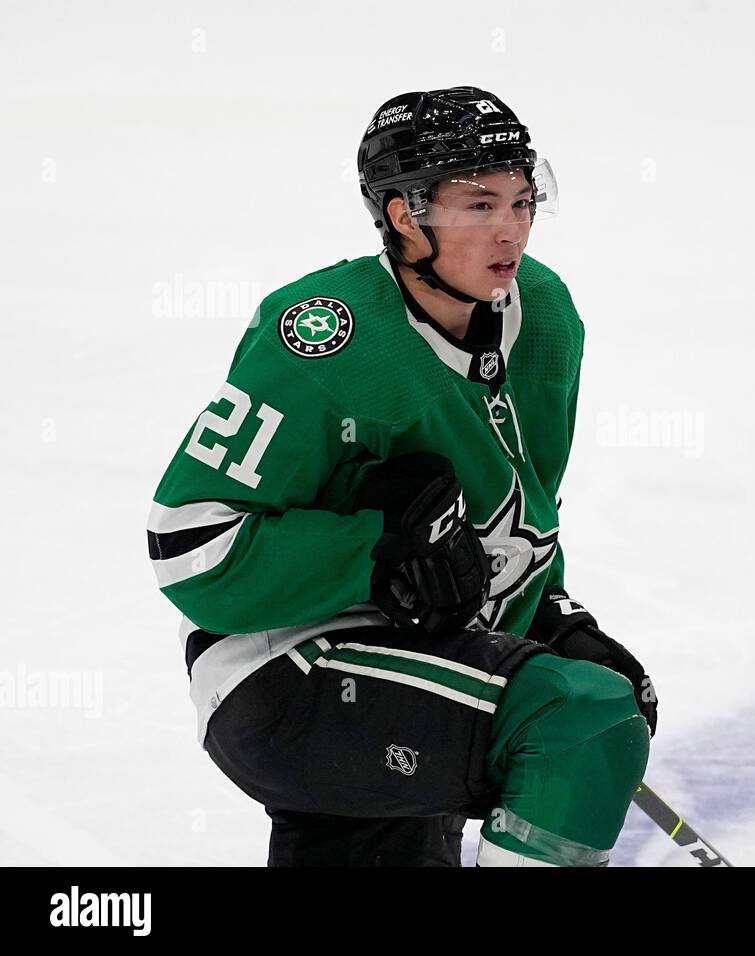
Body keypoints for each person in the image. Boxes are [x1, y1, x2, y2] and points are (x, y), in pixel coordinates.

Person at [147, 87, 655, 867]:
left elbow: (513, 510)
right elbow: (189, 546)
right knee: (578, 719)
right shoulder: (325, 336)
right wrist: (377, 549)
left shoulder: (545, 315)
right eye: (478, 205)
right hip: (281, 674)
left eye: (522, 201)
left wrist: (548, 614)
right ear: (402, 215)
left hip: (420, 655)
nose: (510, 230)